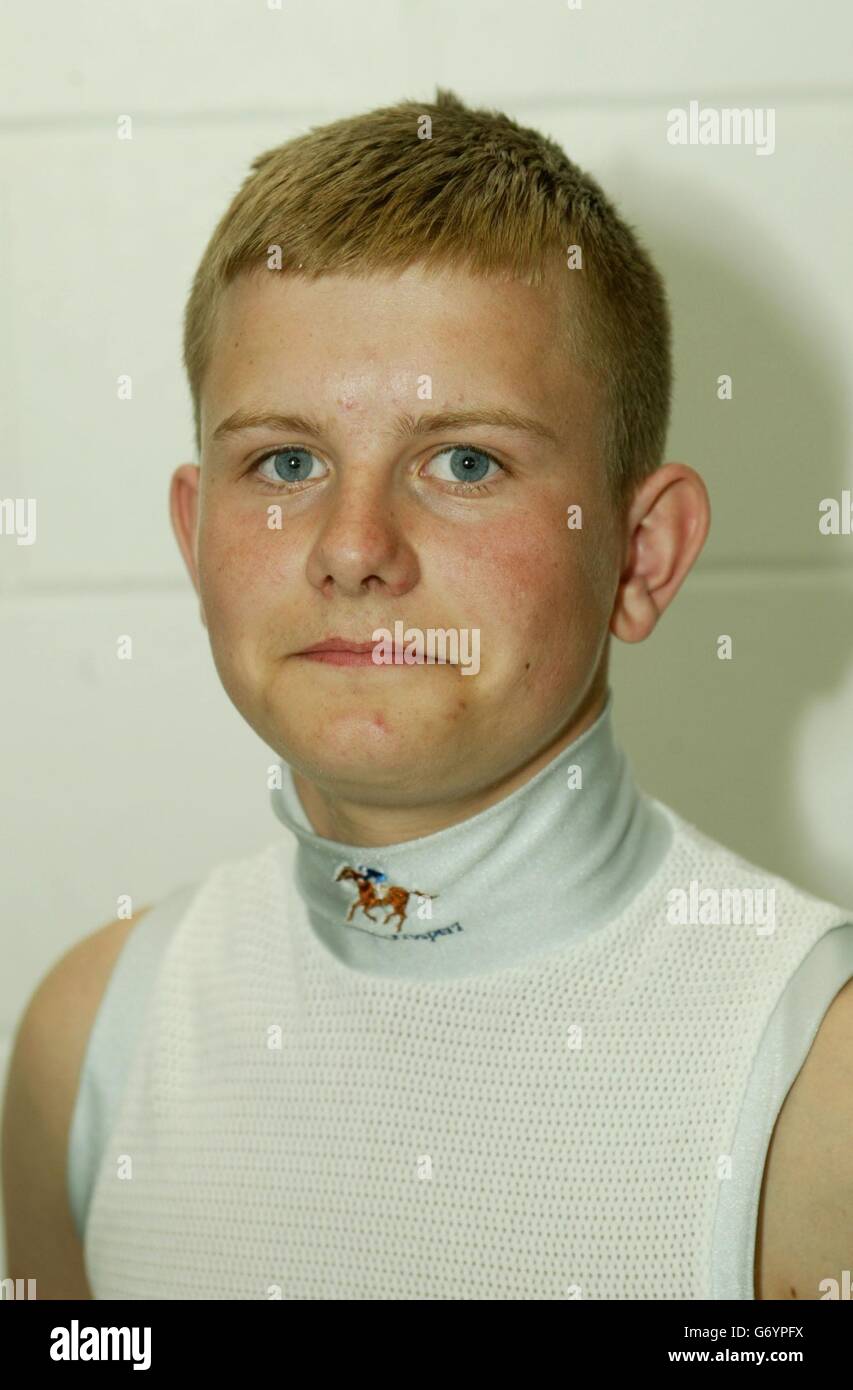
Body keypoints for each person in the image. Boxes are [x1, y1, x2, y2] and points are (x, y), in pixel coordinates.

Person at [3, 88, 852, 1301]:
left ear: (641, 553)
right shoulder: (87, 1045)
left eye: (464, 462)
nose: (352, 547)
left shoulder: (819, 1097)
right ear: (198, 542)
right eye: (285, 462)